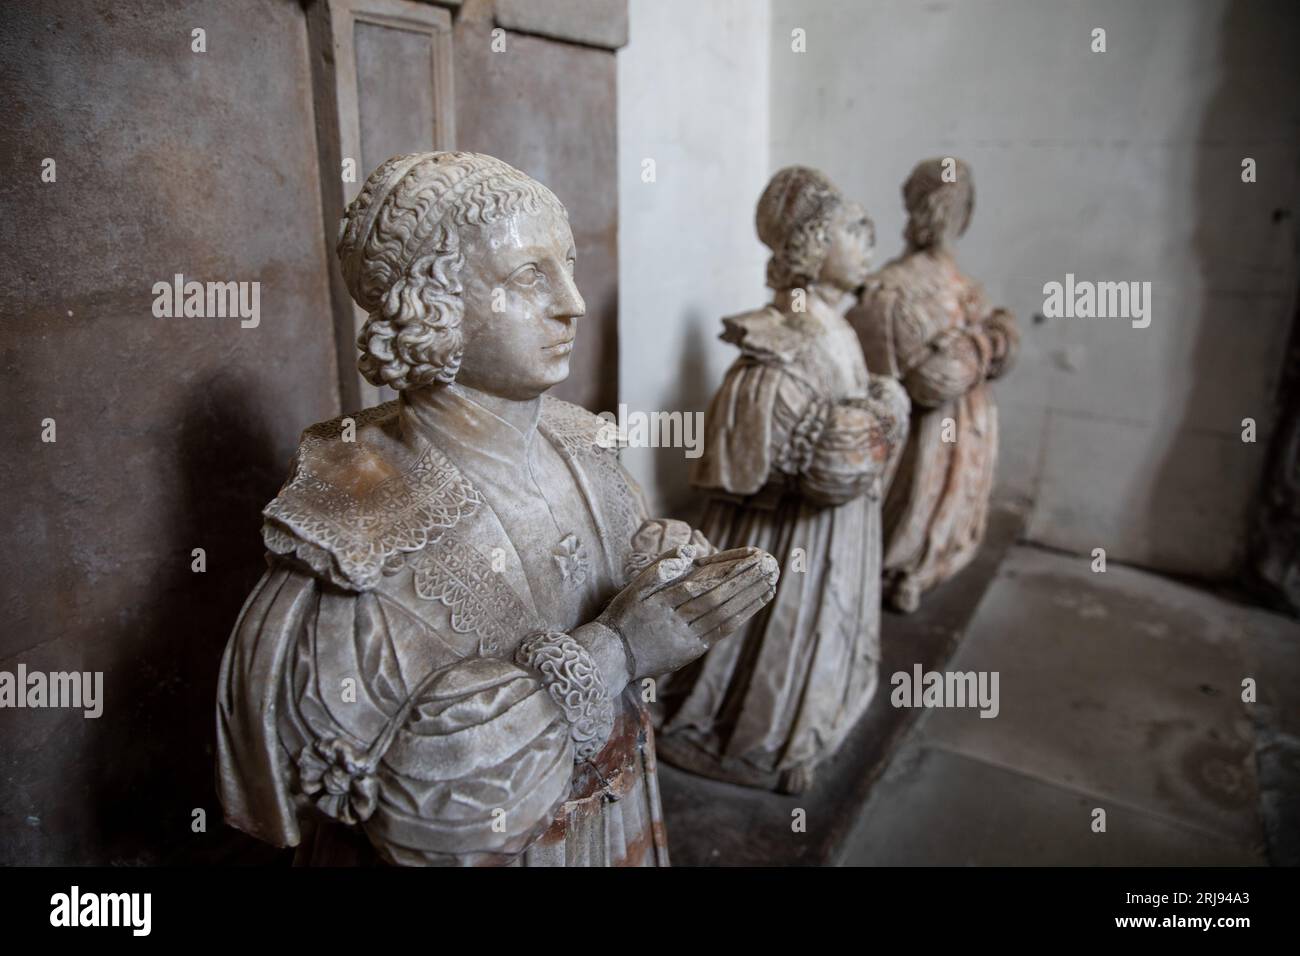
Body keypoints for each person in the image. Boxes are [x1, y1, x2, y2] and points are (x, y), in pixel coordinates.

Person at [215, 152, 778, 865]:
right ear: (435, 306)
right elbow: (421, 809)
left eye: (568, 265)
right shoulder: (352, 537)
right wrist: (621, 647)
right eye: (529, 275)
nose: (572, 300)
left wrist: (655, 569)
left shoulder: (580, 442)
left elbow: (614, 557)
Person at [656, 167, 909, 794]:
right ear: (814, 245)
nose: (868, 242)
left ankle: (813, 707)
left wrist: (877, 408)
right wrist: (873, 419)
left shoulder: (835, 327)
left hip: (834, 531)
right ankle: (753, 732)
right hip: (788, 533)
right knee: (774, 632)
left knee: (824, 621)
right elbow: (811, 462)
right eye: (853, 230)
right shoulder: (775, 346)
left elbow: (847, 439)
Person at [849, 158, 1019, 613]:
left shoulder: (964, 283)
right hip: (925, 429)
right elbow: (929, 383)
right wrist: (989, 341)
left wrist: (984, 342)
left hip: (968, 423)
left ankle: (930, 560)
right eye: (940, 202)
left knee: (953, 509)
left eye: (957, 203)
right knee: (912, 510)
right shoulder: (890, 288)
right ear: (919, 207)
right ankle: (901, 568)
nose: (947, 213)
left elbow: (997, 354)